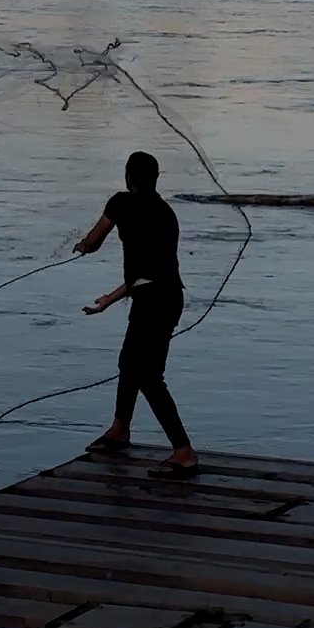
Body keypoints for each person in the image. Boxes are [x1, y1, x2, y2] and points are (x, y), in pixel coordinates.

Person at [72, 151, 199, 478]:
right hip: (167, 298)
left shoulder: (121, 203)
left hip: (153, 302)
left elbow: (94, 242)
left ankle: (183, 452)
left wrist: (81, 245)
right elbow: (150, 273)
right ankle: (120, 429)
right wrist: (110, 300)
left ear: (129, 178)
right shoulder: (167, 213)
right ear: (155, 179)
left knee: (148, 376)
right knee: (129, 364)